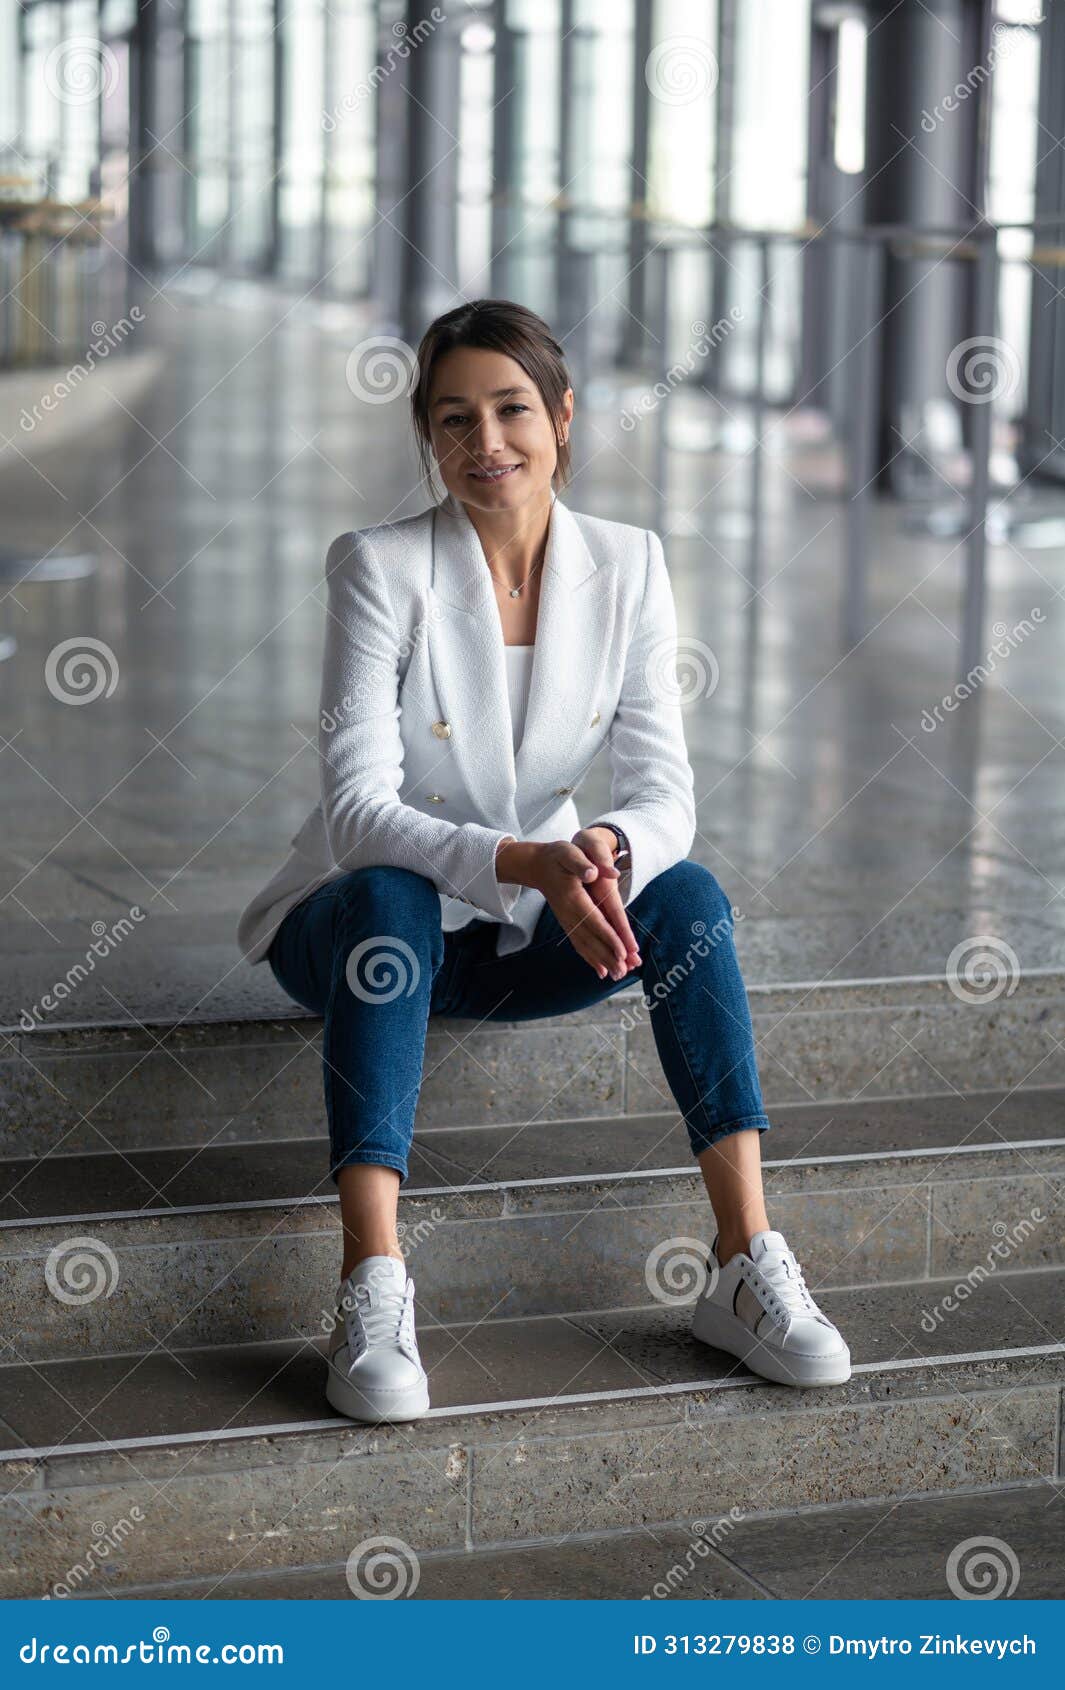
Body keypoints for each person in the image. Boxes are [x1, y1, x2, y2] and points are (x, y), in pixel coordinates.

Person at [235, 298, 850, 1424]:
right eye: (456, 419)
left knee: (692, 898)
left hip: (531, 934)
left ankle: (743, 1259)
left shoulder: (629, 565)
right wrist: (529, 858)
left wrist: (604, 851)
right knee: (387, 889)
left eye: (513, 410)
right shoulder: (380, 568)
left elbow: (667, 796)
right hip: (359, 932)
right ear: (428, 436)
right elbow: (361, 810)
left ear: (563, 417)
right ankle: (371, 1283)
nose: (488, 444)